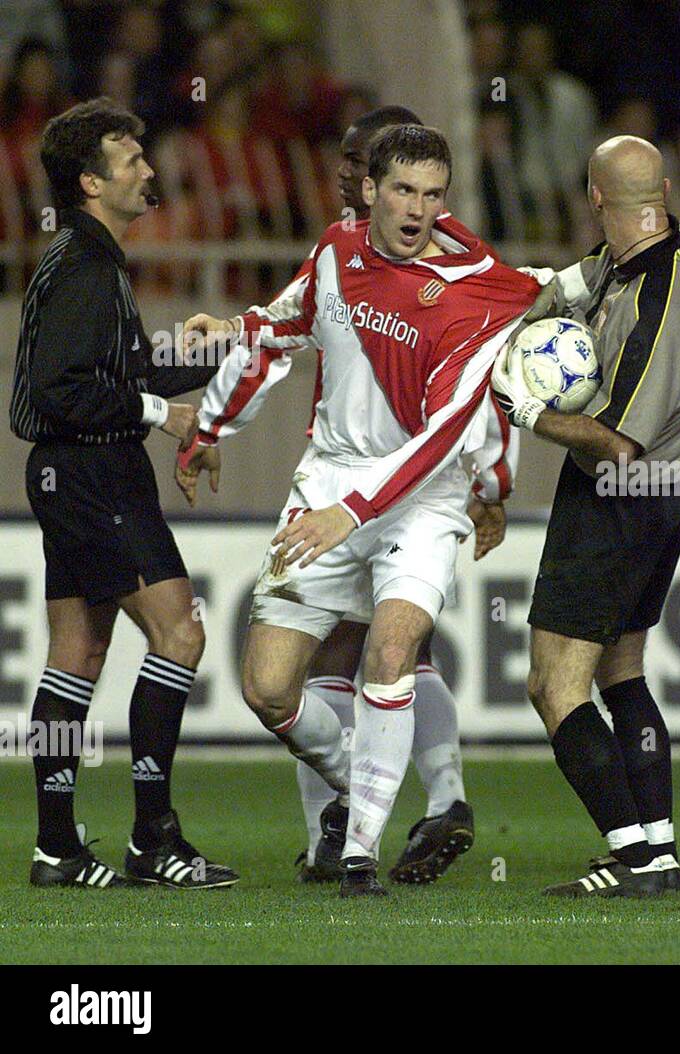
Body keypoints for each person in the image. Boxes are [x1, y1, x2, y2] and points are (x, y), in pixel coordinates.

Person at [183, 124, 542, 896]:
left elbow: (451, 429)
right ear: (371, 191)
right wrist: (232, 331)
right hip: (328, 479)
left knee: (392, 651)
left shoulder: (482, 290)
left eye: (434, 194)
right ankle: (362, 787)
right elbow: (290, 325)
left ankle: (359, 855)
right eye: (405, 191)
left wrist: (488, 487)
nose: (418, 209)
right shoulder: (336, 251)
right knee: (269, 690)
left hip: (420, 497)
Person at [10, 98, 237, 889]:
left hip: (70, 473)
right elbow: (59, 387)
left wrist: (235, 353)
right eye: (129, 157)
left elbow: (126, 372)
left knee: (79, 650)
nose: (147, 168)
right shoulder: (85, 266)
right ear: (89, 180)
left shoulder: (86, 258)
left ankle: (55, 847)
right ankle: (153, 837)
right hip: (93, 472)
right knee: (179, 637)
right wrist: (161, 415)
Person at [491, 135, 680, 897]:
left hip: (620, 498)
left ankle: (635, 858)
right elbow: (582, 276)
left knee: (555, 687)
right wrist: (537, 291)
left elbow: (618, 444)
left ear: (594, 196)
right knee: (622, 669)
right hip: (665, 498)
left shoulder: (660, 303)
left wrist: (528, 410)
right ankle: (660, 847)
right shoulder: (658, 251)